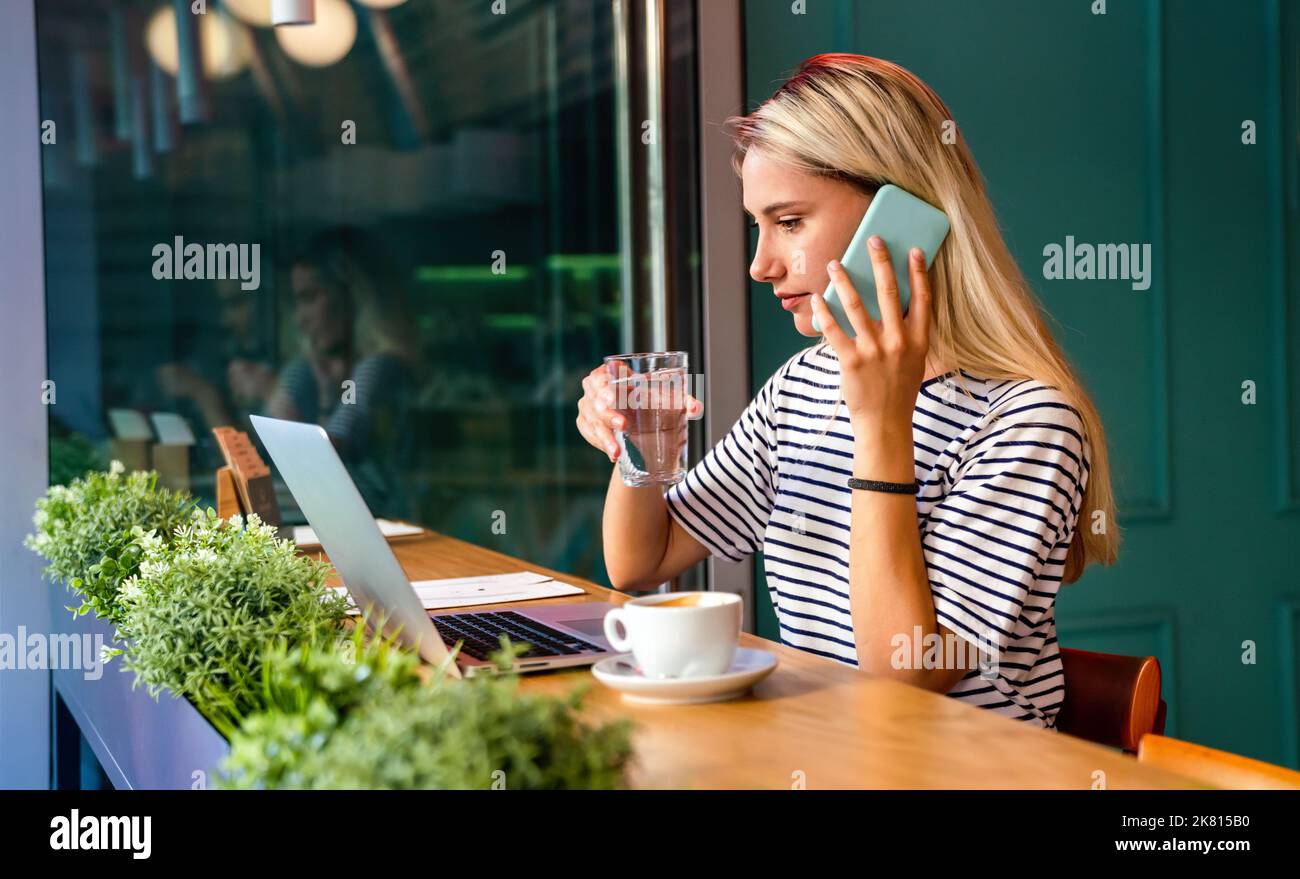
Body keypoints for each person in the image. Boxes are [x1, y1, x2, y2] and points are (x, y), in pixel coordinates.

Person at [576, 54, 1119, 727]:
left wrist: (882, 421)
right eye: (757, 225)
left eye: (791, 221)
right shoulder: (801, 388)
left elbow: (904, 671)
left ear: (903, 216)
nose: (759, 264)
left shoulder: (1028, 421)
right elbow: (640, 561)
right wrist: (640, 446)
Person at [236, 227, 421, 519]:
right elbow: (256, 453)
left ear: (350, 297)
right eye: (296, 302)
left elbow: (324, 465)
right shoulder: (313, 367)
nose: (300, 318)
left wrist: (271, 394)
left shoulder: (379, 367)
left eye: (310, 298)